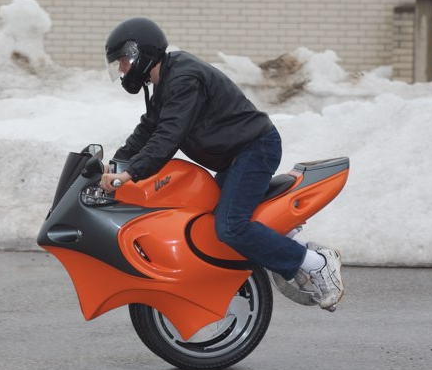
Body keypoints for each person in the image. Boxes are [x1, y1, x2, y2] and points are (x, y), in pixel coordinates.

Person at [100, 17, 344, 310]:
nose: (123, 69)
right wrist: (116, 163)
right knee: (213, 217)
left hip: (255, 148)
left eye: (124, 60)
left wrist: (129, 173)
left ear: (141, 53)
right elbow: (148, 128)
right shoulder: (165, 80)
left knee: (230, 227)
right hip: (235, 155)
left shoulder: (182, 80)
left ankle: (316, 263)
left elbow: (167, 137)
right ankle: (293, 246)